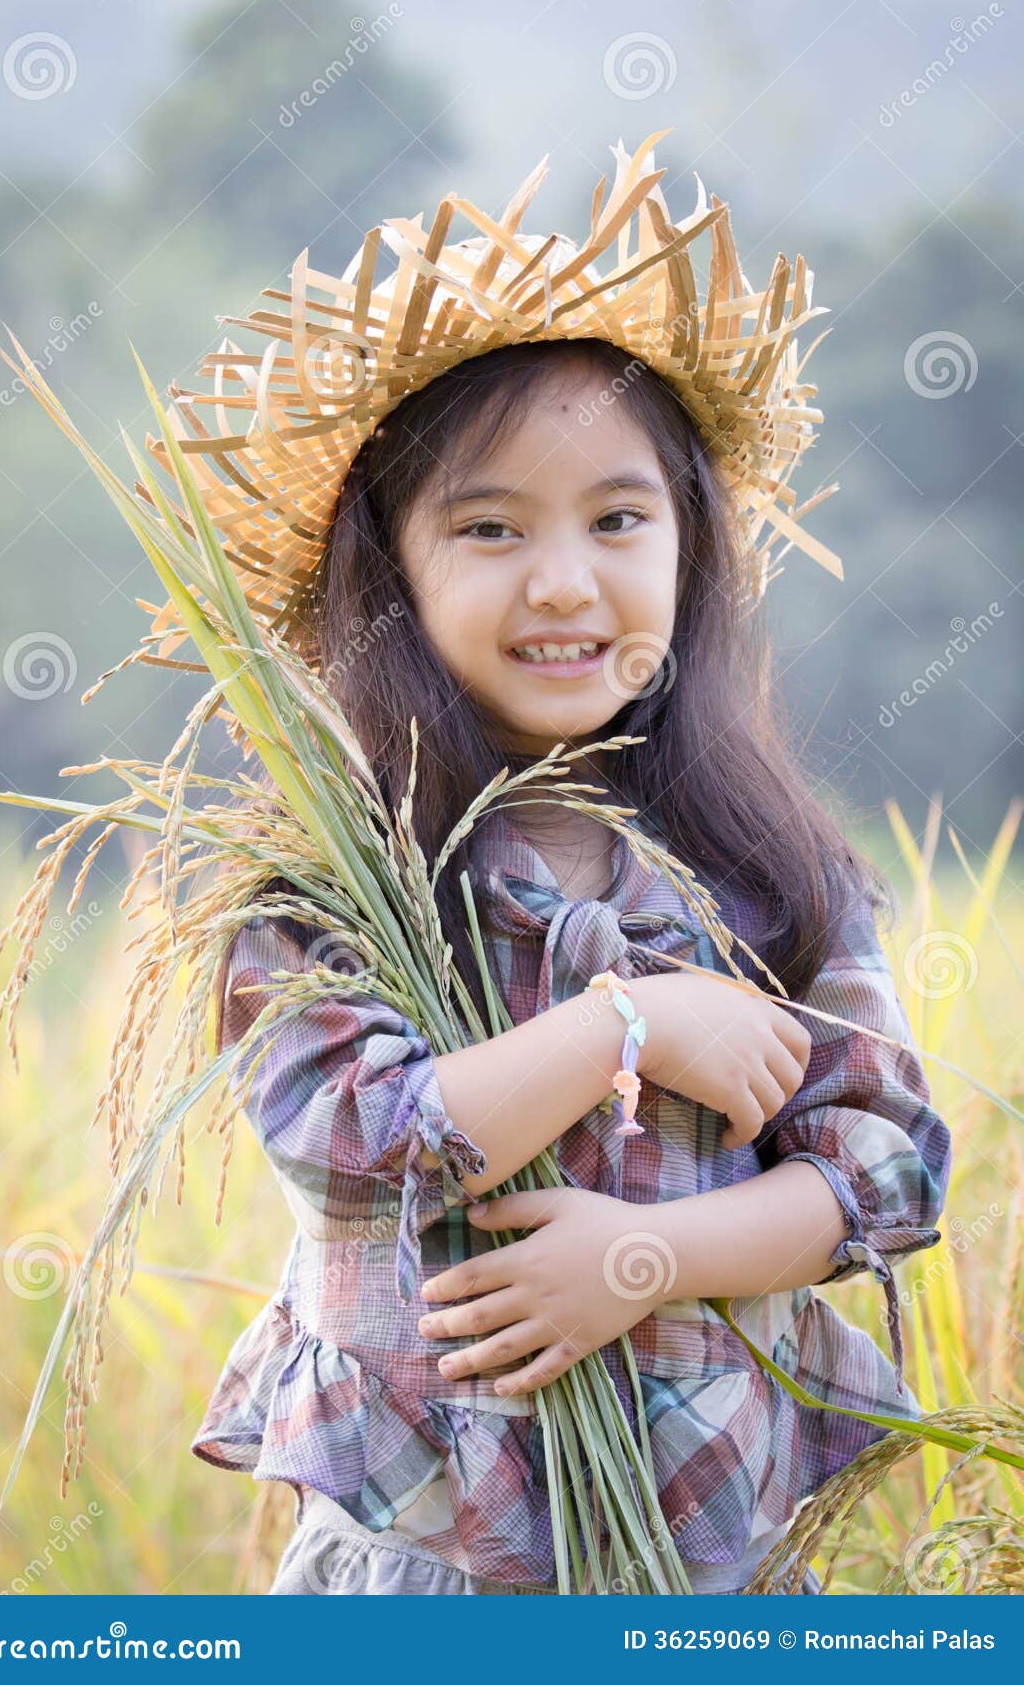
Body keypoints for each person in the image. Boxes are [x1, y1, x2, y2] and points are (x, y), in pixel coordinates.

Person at [177, 135, 951, 1595]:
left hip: (706, 1566)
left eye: (618, 518)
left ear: (690, 546)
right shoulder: (339, 888)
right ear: (390, 576)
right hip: (432, 1568)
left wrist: (645, 1257)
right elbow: (359, 1138)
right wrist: (629, 1023)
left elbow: (885, 1165)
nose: (564, 580)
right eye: (489, 527)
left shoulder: (768, 871)